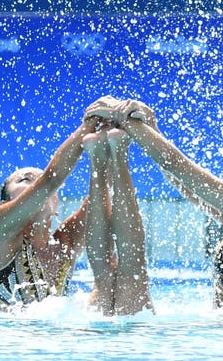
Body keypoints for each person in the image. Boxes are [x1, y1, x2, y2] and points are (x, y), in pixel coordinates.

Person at [85, 96, 223, 309]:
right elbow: (182, 182)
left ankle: (109, 155)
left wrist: (122, 116)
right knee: (124, 296)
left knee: (127, 289)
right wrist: (151, 126)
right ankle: (114, 153)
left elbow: (176, 164)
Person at [0, 117, 92, 309]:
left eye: (38, 182)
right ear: (6, 204)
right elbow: (49, 181)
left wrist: (109, 141)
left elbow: (100, 198)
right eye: (26, 180)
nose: (36, 186)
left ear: (56, 204)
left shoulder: (64, 244)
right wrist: (89, 125)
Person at [82, 123, 153, 316]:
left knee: (102, 277)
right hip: (135, 320)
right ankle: (119, 156)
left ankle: (97, 161)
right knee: (132, 271)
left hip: (96, 315)